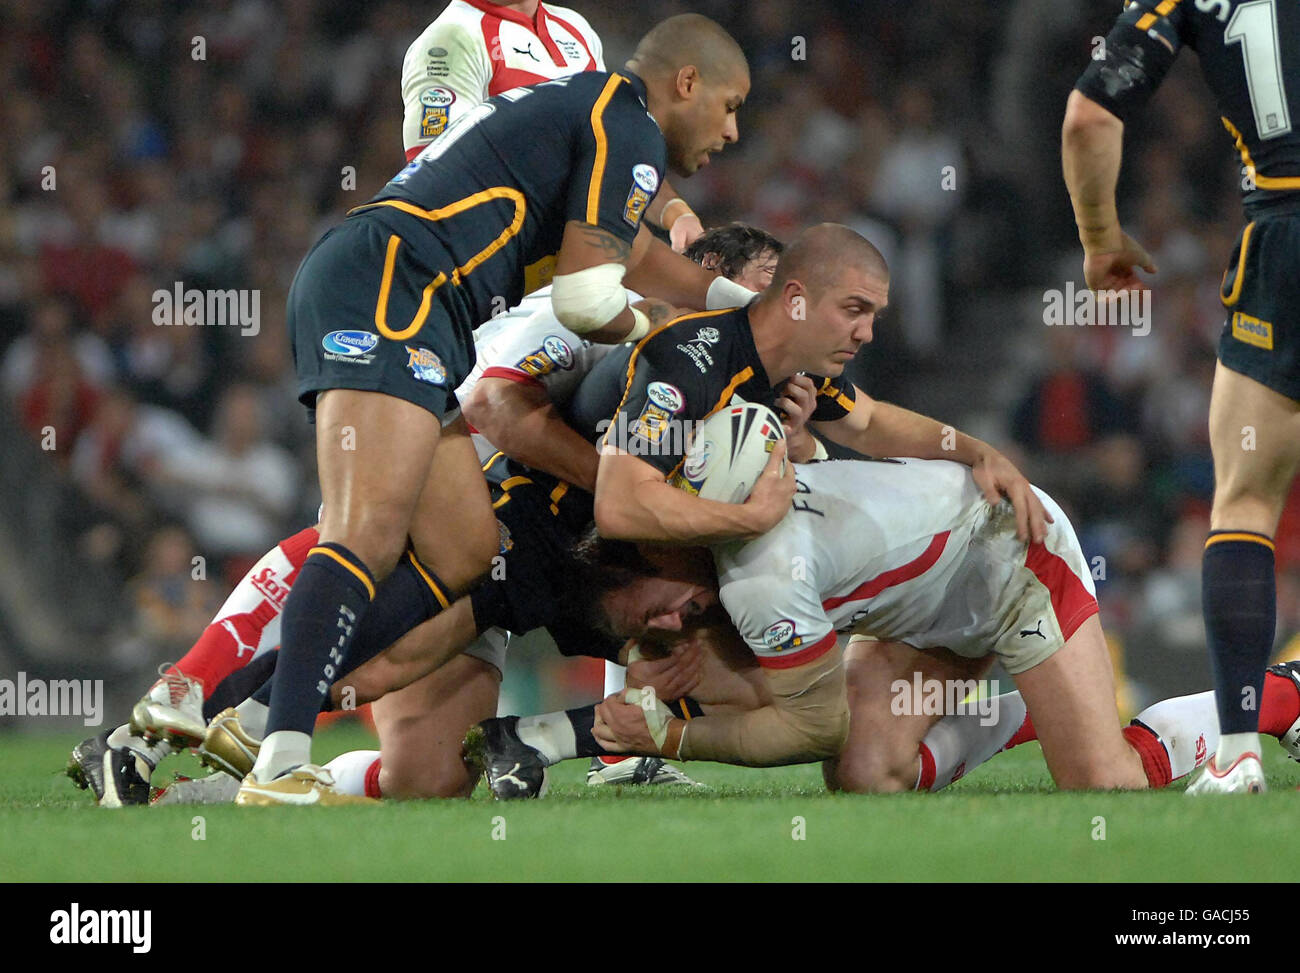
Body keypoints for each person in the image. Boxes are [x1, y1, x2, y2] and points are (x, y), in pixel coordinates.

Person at [237, 14, 753, 805]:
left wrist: (739, 312)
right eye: (729, 105)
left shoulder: (591, 104)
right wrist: (663, 331)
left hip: (416, 295)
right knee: (364, 532)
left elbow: (641, 259)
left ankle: (233, 710)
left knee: (464, 547)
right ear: (687, 83)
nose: (733, 128)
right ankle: (275, 758)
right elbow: (587, 299)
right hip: (395, 284)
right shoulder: (625, 122)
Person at [467, 457, 1300, 796]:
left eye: (651, 607)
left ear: (654, 546)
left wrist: (670, 738)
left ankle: (1286, 695)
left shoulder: (759, 579)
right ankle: (1018, 718)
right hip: (921, 611)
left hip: (1013, 564)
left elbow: (813, 720)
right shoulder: (712, 537)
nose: (664, 623)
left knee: (1105, 782)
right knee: (865, 775)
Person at [1061, 0, 1300, 793]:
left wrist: (1100, 239)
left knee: (1243, 507)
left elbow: (1089, 117)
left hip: (1282, 240)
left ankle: (1236, 753)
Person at [568, 222, 1052, 547]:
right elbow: (620, 506)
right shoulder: (691, 355)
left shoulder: (801, 369)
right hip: (552, 544)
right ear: (796, 301)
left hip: (636, 556)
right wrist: (751, 520)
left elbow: (870, 422)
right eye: (854, 310)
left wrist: (979, 453)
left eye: (873, 316)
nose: (866, 334)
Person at [402, 1, 705, 249]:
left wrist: (677, 214)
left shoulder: (575, 29)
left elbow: (614, 150)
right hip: (508, 279)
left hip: (578, 260)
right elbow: (438, 183)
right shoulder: (450, 40)